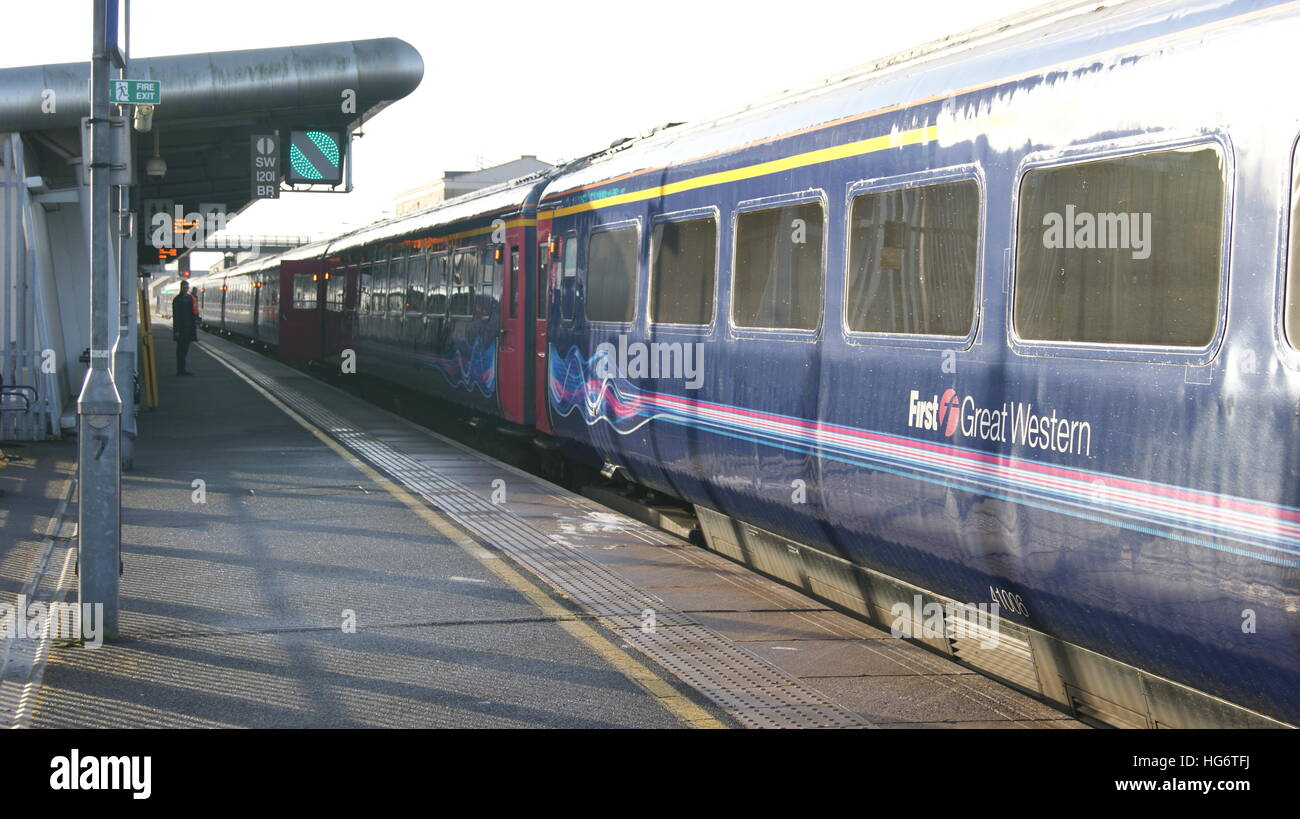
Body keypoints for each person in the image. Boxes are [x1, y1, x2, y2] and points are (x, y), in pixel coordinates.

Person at [172, 281, 198, 376]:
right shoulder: (177, 300)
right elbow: (176, 317)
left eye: (187, 287)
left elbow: (193, 315)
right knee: (181, 350)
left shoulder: (190, 299)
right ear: (181, 288)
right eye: (184, 287)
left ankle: (182, 369)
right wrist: (176, 331)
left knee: (184, 350)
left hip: (188, 329)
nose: (186, 289)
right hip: (181, 329)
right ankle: (181, 370)